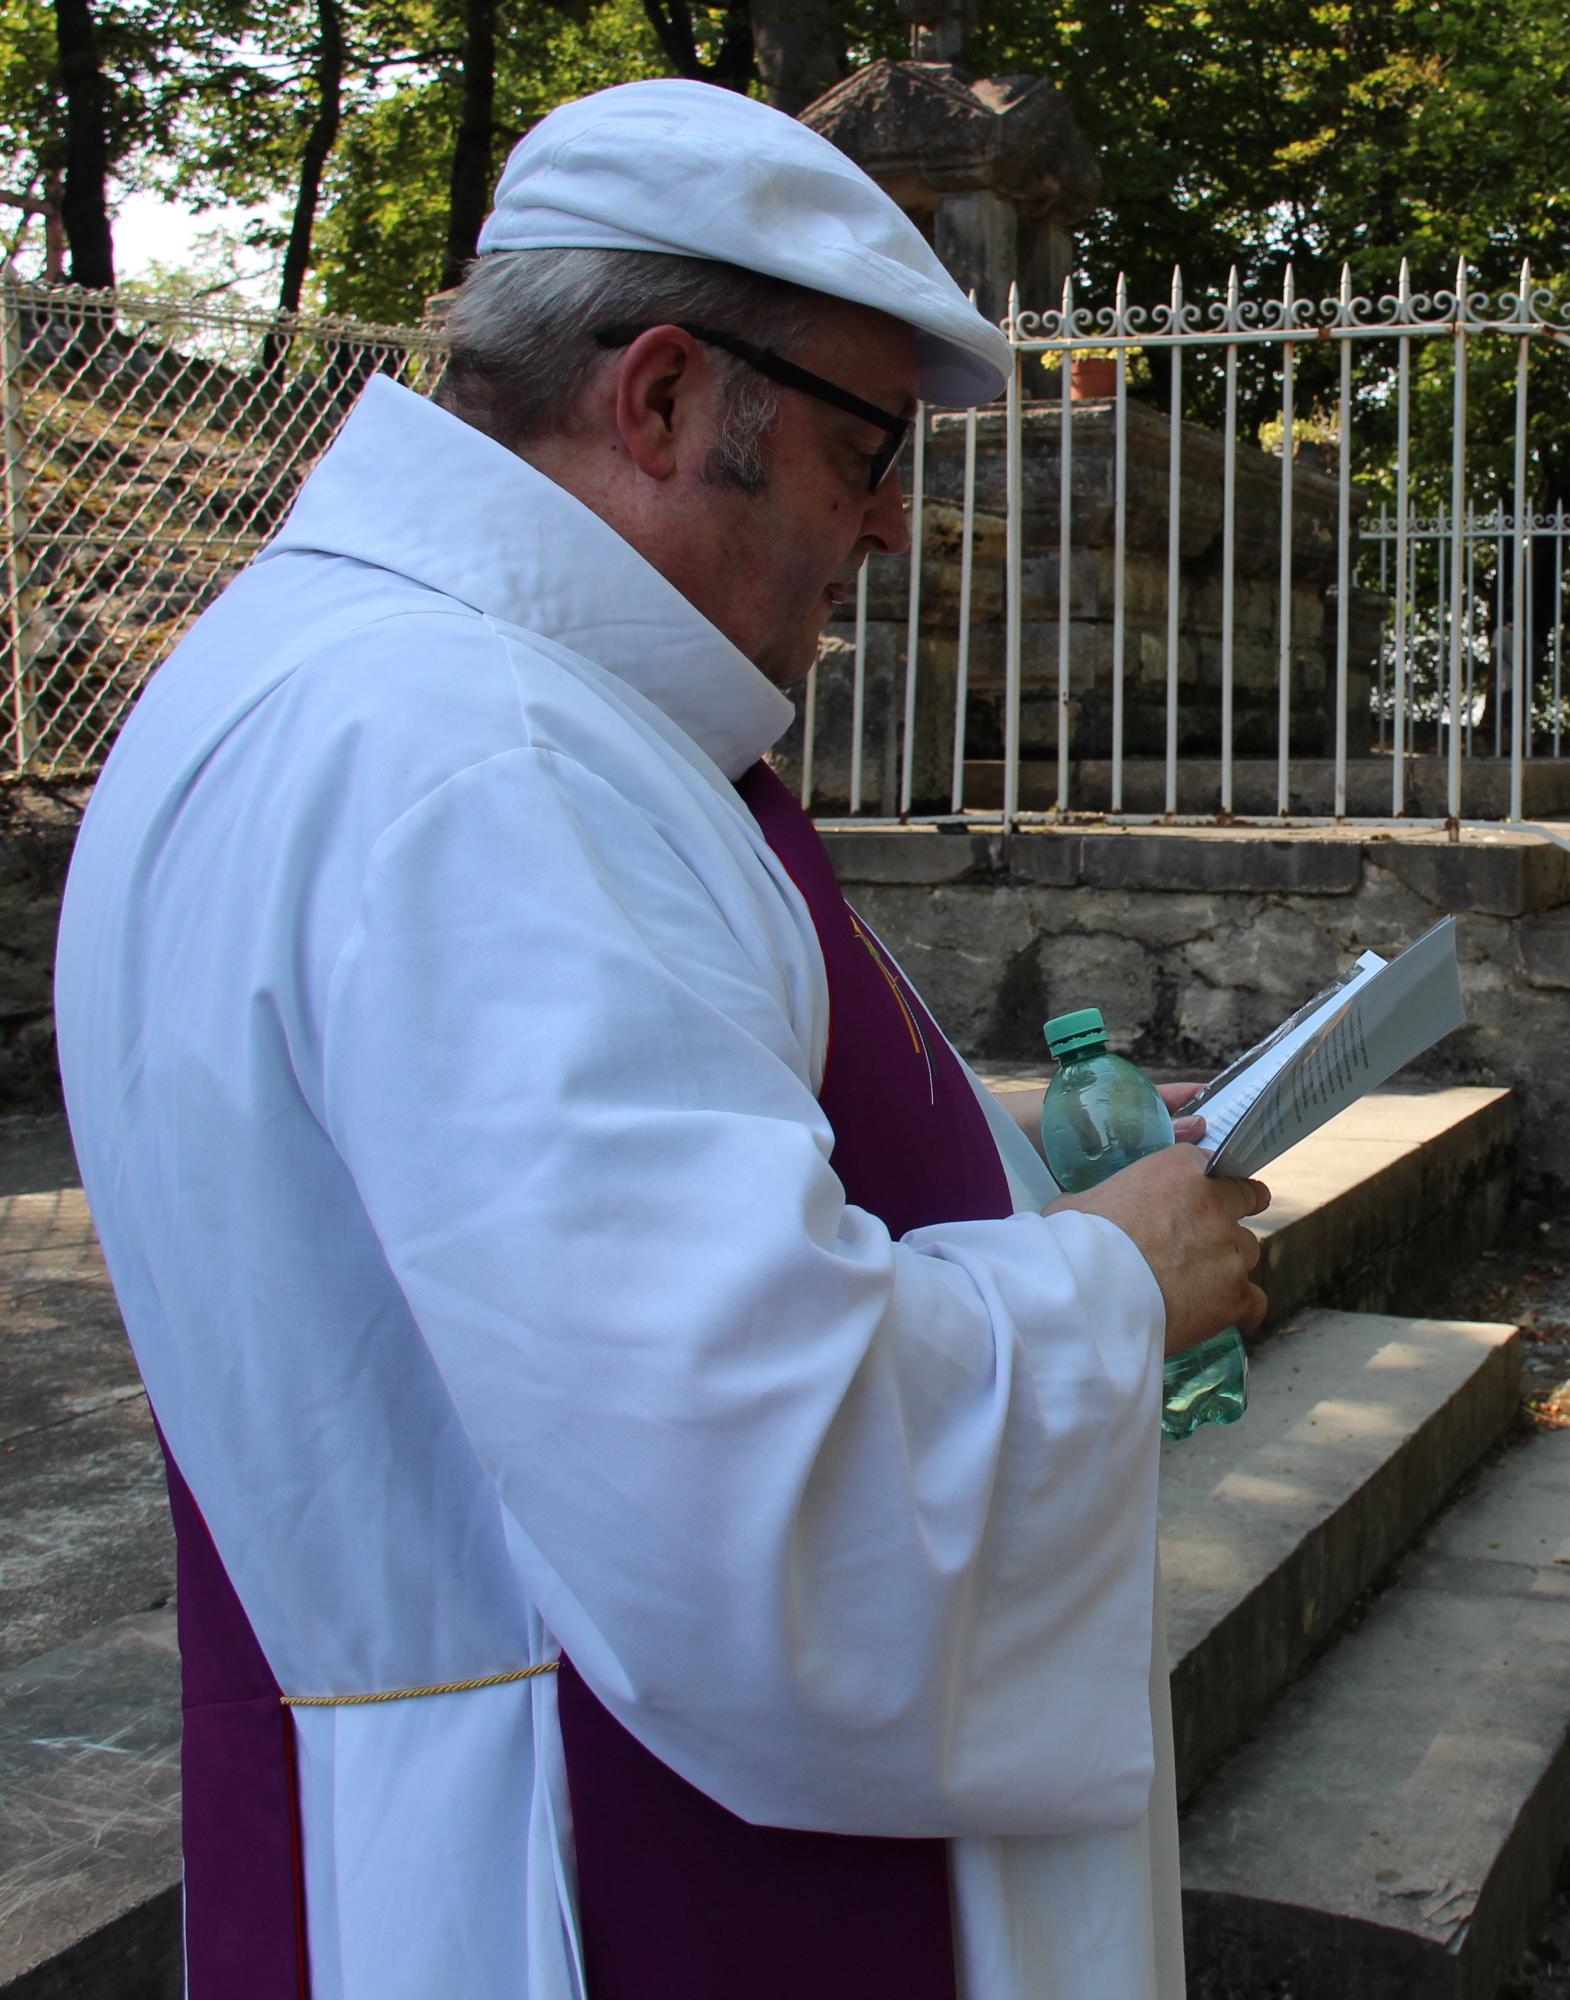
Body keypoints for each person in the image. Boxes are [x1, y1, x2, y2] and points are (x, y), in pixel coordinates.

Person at [54, 78, 1269, 2000]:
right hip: (612, 1867)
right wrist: (1114, 1286)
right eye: (869, 451)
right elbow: (755, 1478)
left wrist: (1037, 1180)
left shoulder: (368, 681)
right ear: (664, 401)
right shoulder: (486, 759)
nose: (886, 528)